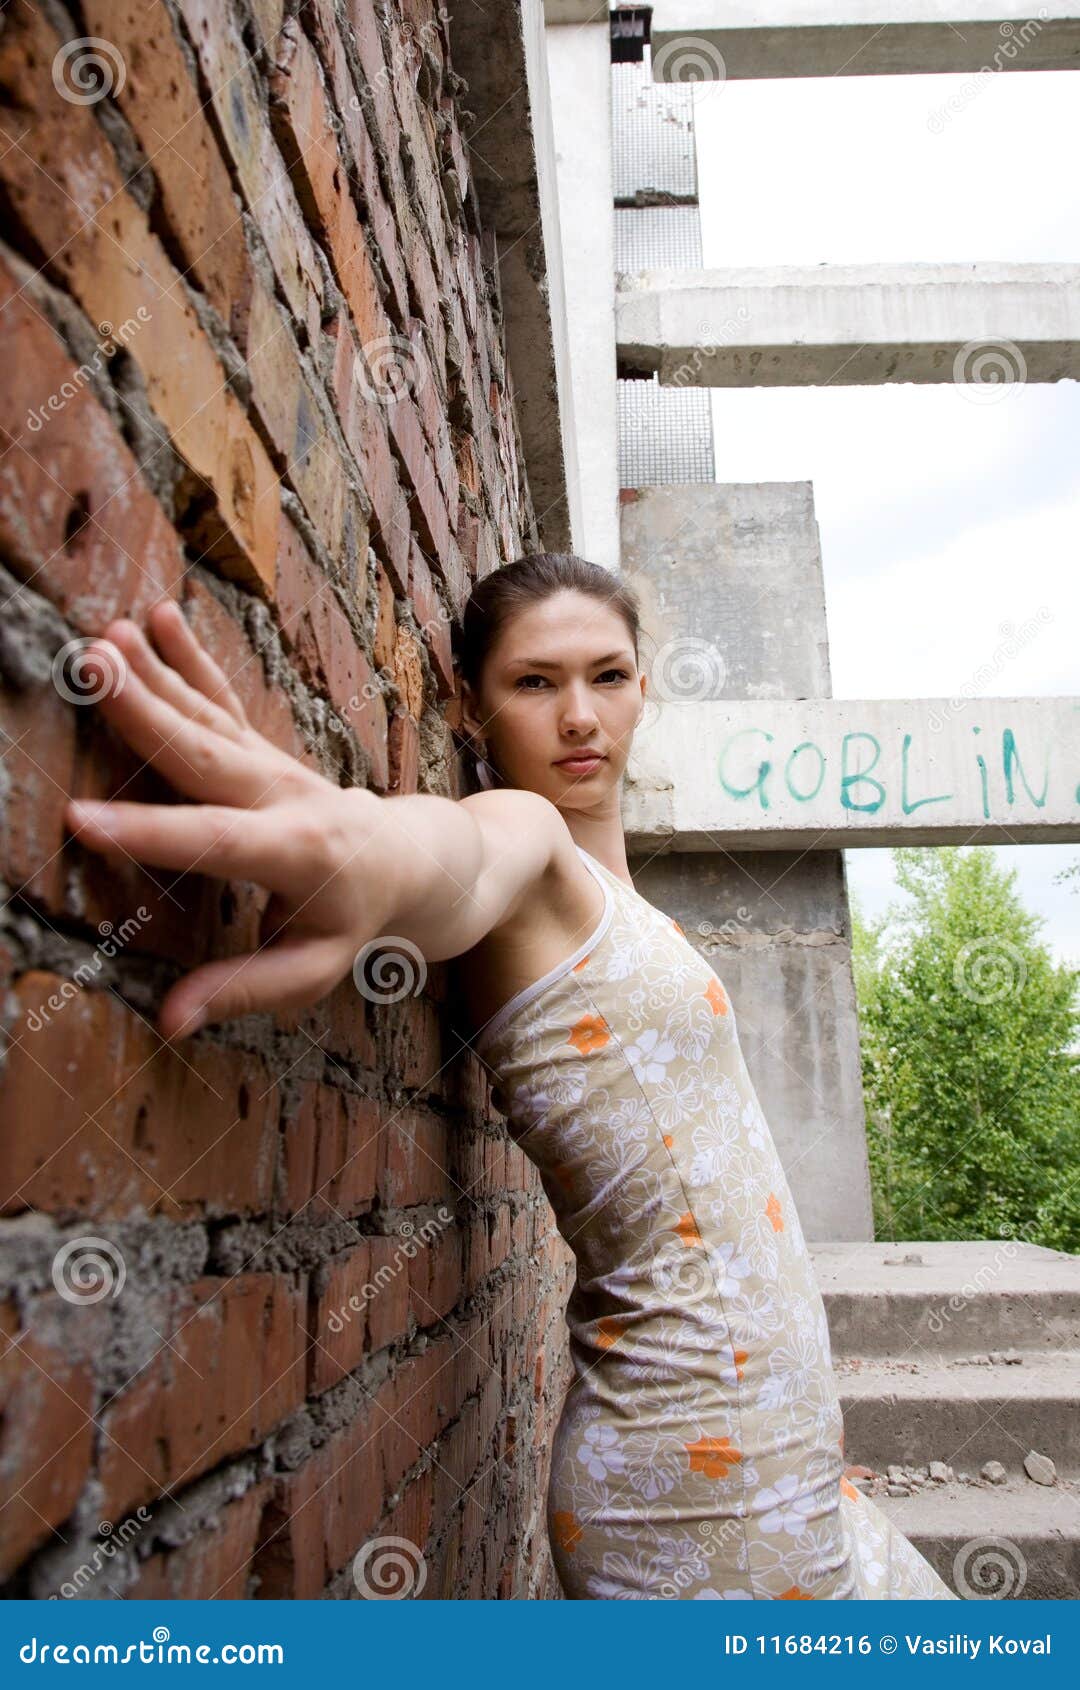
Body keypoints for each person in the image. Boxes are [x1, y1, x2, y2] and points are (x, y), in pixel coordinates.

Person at [63, 552, 958, 1600]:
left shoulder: (617, 897)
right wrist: (361, 843)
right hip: (698, 1478)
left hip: (782, 1458)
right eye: (534, 682)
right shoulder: (530, 843)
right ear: (470, 704)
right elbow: (454, 855)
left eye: (608, 675)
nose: (580, 715)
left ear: (643, 684)